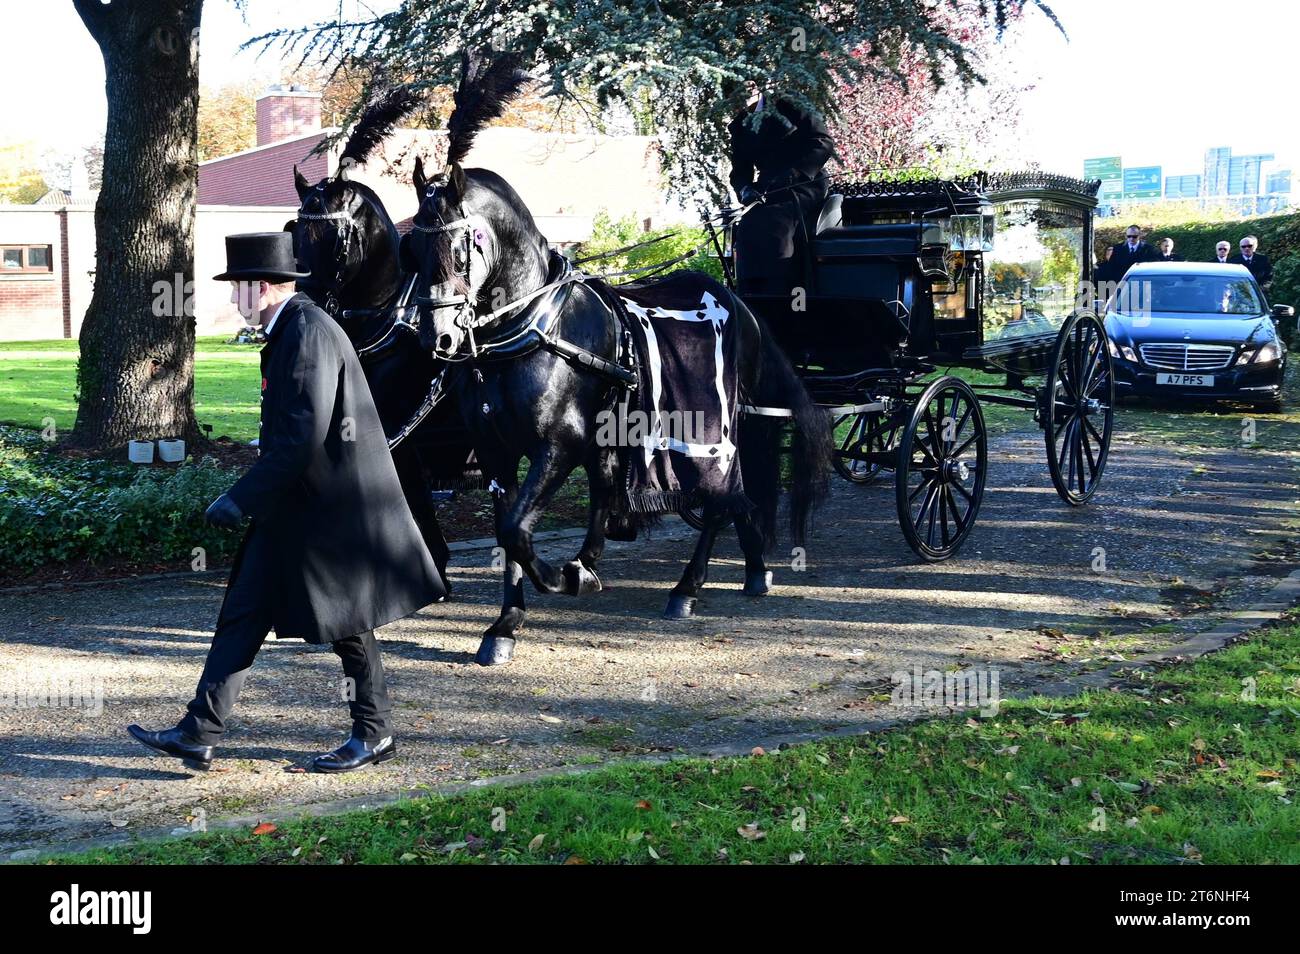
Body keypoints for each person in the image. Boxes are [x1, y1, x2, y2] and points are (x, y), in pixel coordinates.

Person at [128, 232, 446, 774]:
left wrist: (240, 498)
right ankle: (197, 732)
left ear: (260, 288)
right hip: (294, 508)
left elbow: (302, 435)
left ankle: (374, 733)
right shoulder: (293, 329)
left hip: (329, 513)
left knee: (347, 626)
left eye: (238, 290)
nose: (234, 301)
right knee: (243, 612)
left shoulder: (307, 332)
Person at [728, 87, 835, 296]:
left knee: (776, 223)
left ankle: (783, 292)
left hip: (803, 183)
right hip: (766, 189)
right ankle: (750, 294)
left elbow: (822, 142)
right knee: (746, 227)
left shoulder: (787, 103)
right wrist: (745, 190)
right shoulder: (740, 126)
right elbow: (739, 172)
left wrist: (795, 173)